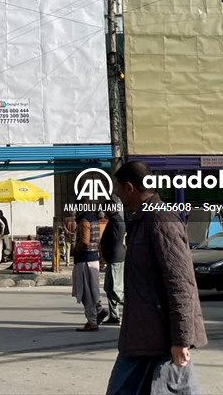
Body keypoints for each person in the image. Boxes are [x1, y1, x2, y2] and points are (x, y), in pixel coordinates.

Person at [107, 161, 207, 394]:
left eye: (119, 190)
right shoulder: (142, 220)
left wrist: (181, 340)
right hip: (142, 338)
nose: (119, 197)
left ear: (130, 188)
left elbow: (180, 283)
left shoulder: (160, 221)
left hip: (160, 340)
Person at [71, 210, 107, 331]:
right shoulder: (95, 220)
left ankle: (92, 321)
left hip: (85, 260)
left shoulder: (84, 221)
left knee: (86, 293)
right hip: (93, 258)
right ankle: (99, 310)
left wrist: (76, 249)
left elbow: (85, 242)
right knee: (93, 290)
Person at [100, 210, 126, 325]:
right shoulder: (116, 219)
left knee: (115, 289)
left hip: (115, 258)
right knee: (108, 287)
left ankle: (133, 305)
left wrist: (107, 252)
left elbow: (114, 240)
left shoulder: (116, 221)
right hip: (113, 258)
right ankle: (114, 316)